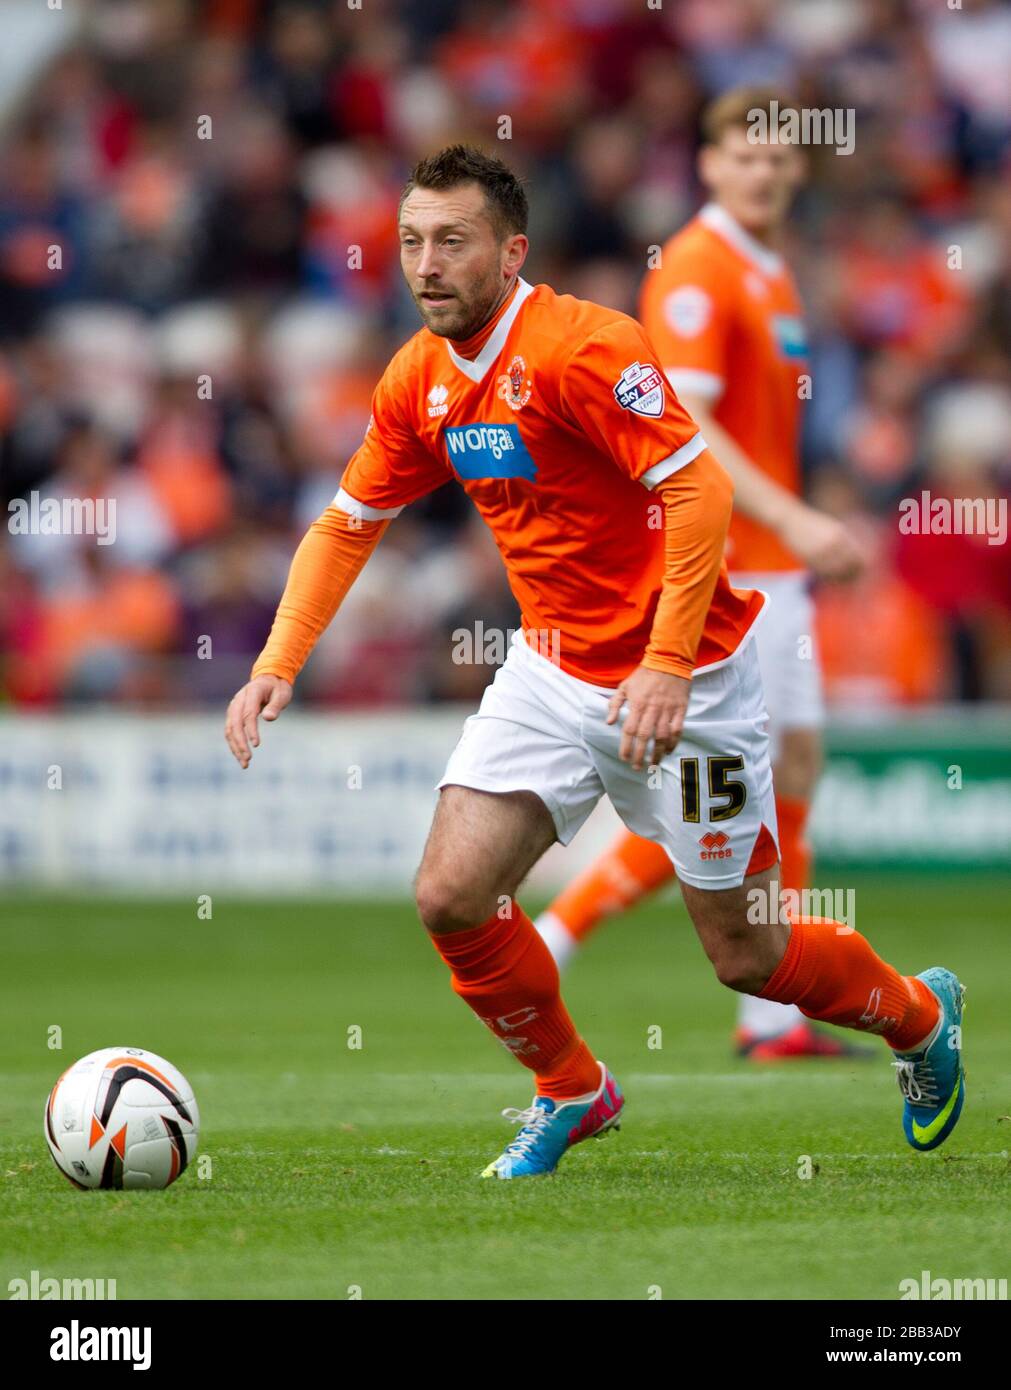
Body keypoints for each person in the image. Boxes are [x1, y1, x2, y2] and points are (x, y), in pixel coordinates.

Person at [224, 144, 964, 1179]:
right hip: (551, 672)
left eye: (452, 242)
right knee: (450, 892)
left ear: (512, 250)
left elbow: (698, 492)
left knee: (747, 953)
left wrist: (666, 661)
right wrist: (278, 660)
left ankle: (923, 1016)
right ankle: (572, 1087)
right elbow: (349, 524)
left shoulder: (581, 348)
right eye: (409, 243)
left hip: (693, 679)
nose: (426, 264)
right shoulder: (419, 380)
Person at [535, 86, 870, 1061]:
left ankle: (774, 1016)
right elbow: (690, 429)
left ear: (796, 167)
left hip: (777, 570)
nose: (764, 170)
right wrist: (797, 517)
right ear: (710, 166)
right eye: (744, 155)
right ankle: (558, 935)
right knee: (727, 788)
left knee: (787, 770)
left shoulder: (769, 270)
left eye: (778, 156)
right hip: (733, 569)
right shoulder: (696, 268)